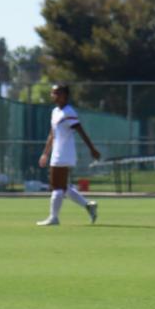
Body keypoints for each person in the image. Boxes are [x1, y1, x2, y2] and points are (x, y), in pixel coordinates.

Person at [36, 84, 100, 226]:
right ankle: (88, 206)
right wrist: (45, 153)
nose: (53, 95)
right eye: (53, 93)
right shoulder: (55, 112)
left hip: (64, 153)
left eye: (56, 93)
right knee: (64, 188)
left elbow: (80, 130)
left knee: (56, 187)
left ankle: (54, 218)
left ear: (64, 95)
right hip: (57, 153)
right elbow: (52, 134)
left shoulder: (68, 112)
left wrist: (92, 149)